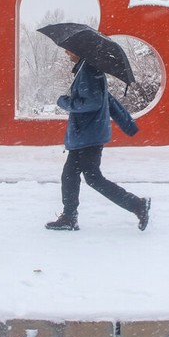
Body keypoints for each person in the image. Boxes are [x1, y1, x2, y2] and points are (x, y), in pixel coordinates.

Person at [46, 50, 151, 232]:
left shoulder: (88, 71)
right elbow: (107, 100)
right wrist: (127, 124)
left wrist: (65, 102)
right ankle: (70, 217)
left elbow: (92, 103)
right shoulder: (88, 69)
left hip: (88, 136)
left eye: (69, 49)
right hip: (88, 135)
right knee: (71, 176)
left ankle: (137, 205)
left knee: (92, 178)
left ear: (79, 49)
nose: (66, 52)